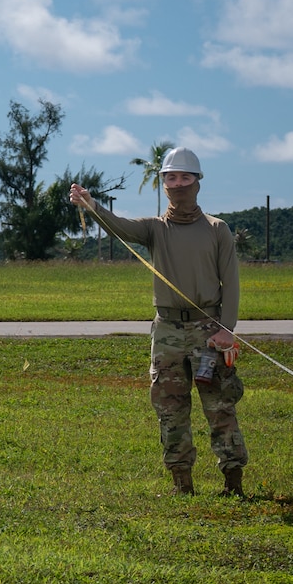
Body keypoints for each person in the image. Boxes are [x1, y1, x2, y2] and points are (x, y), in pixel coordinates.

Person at [69, 147, 247, 496]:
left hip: (208, 330)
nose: (178, 183)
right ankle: (182, 484)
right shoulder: (154, 229)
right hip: (166, 331)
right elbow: (117, 226)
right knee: (170, 408)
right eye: (170, 177)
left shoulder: (217, 229)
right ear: (162, 183)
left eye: (184, 177)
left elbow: (232, 281)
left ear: (197, 182)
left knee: (220, 406)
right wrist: (91, 205)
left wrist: (227, 329)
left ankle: (233, 483)